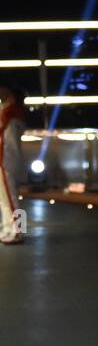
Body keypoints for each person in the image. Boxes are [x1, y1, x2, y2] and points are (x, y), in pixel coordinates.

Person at [0, 84, 27, 245]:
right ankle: (9, 229)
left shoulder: (10, 113)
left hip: (5, 160)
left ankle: (17, 231)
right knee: (6, 199)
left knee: (10, 199)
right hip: (8, 159)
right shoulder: (13, 113)